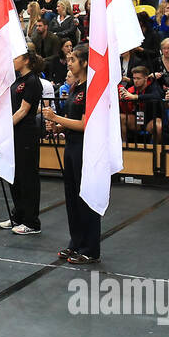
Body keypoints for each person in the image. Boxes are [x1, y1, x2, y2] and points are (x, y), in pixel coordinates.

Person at [43, 45, 100, 263]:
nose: (69, 63)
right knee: (71, 197)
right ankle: (76, 242)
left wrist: (57, 119)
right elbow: (71, 120)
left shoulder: (91, 88)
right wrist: (57, 127)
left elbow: (86, 124)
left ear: (84, 62)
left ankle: (90, 247)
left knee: (85, 197)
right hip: (72, 145)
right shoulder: (75, 86)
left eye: (73, 59)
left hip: (85, 147)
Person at [0, 51, 44, 235]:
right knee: (15, 176)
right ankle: (18, 215)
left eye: (16, 57)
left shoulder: (33, 81)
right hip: (14, 134)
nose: (12, 60)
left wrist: (3, 128)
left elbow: (24, 110)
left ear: (26, 60)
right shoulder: (17, 80)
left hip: (26, 134)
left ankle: (31, 222)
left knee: (28, 177)